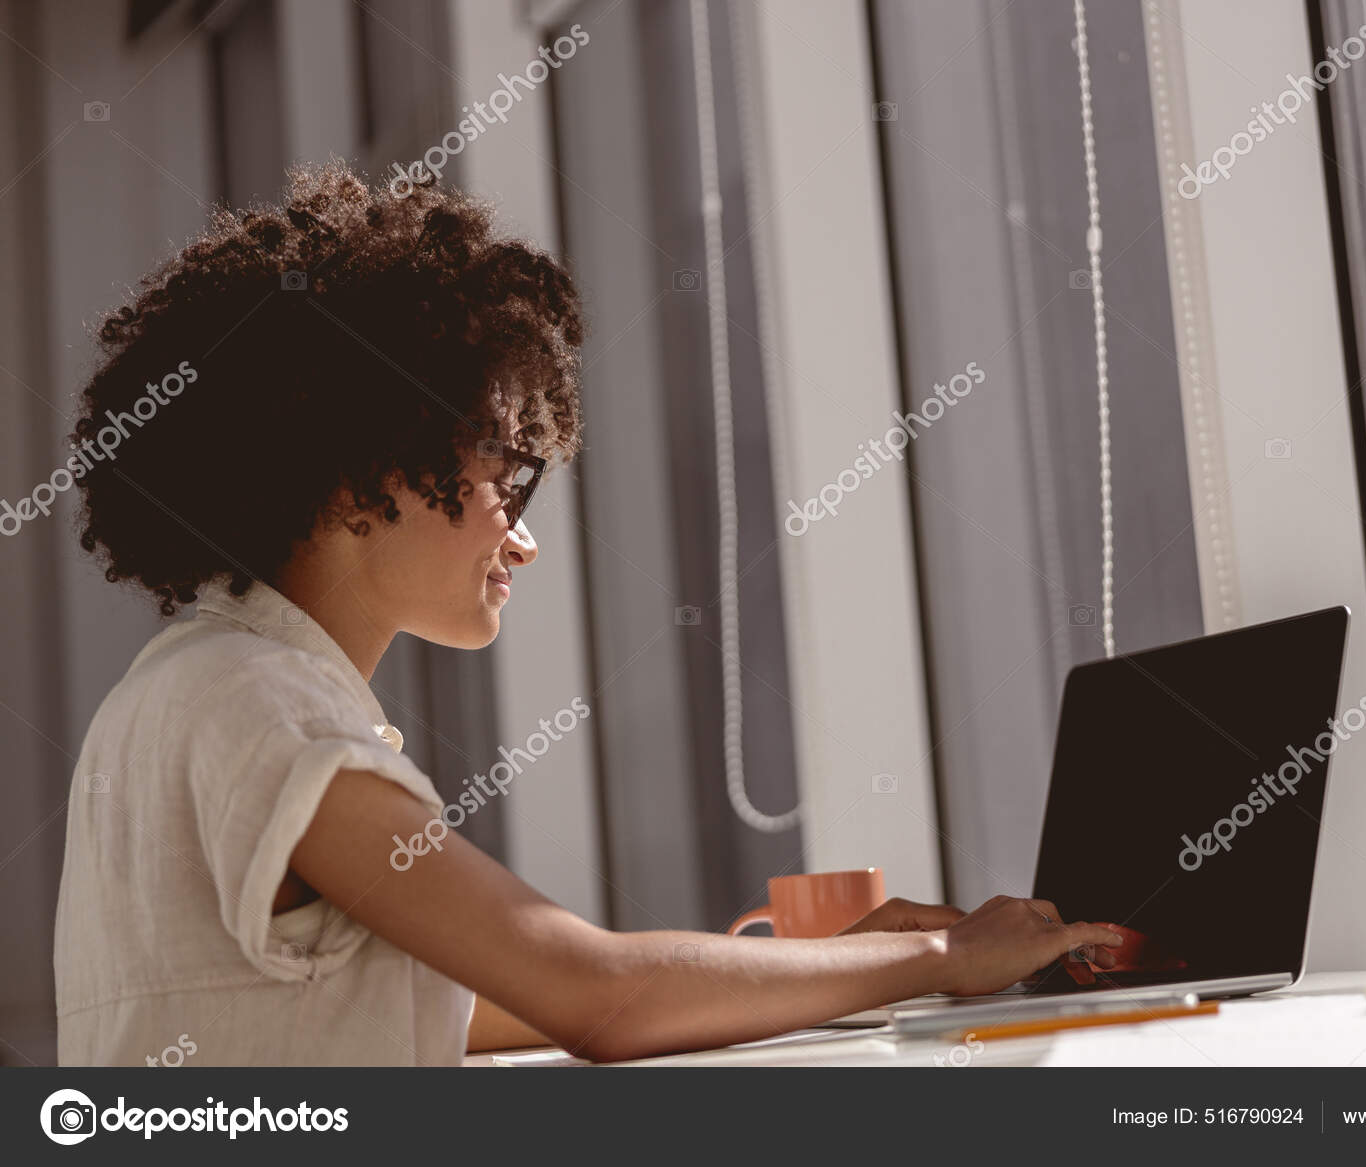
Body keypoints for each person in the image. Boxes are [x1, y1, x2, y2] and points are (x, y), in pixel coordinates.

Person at [53, 162, 1122, 1066]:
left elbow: (451, 1009)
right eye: (505, 479)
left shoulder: (184, 688)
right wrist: (942, 957)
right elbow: (595, 998)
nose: (522, 537)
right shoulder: (265, 706)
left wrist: (831, 962)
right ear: (355, 479)